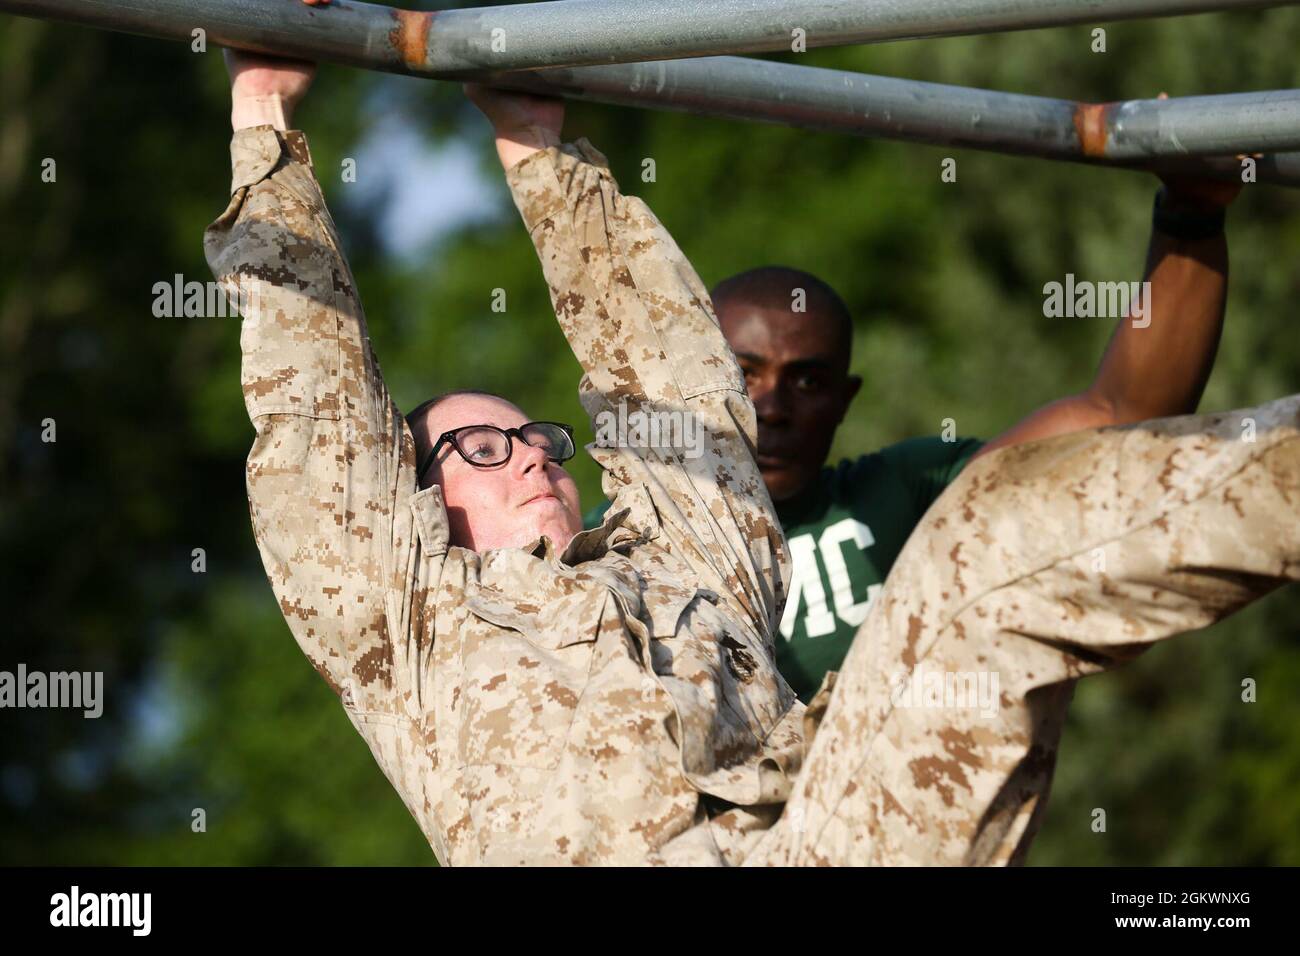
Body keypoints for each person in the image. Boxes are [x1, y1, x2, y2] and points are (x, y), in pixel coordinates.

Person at [209, 5, 1299, 865]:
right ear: (416, 501)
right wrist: (263, 118)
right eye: (482, 448)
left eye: (539, 437)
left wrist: (537, 150)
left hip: (823, 844)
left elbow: (671, 383)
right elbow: (318, 431)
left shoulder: (688, 565)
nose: (536, 454)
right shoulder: (407, 618)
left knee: (987, 531)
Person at [590, 189, 1241, 704]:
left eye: (808, 381)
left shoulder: (901, 498)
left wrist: (1191, 213)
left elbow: (1122, 414)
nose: (772, 409)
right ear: (692, 382)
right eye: (741, 374)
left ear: (844, 401)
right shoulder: (614, 541)